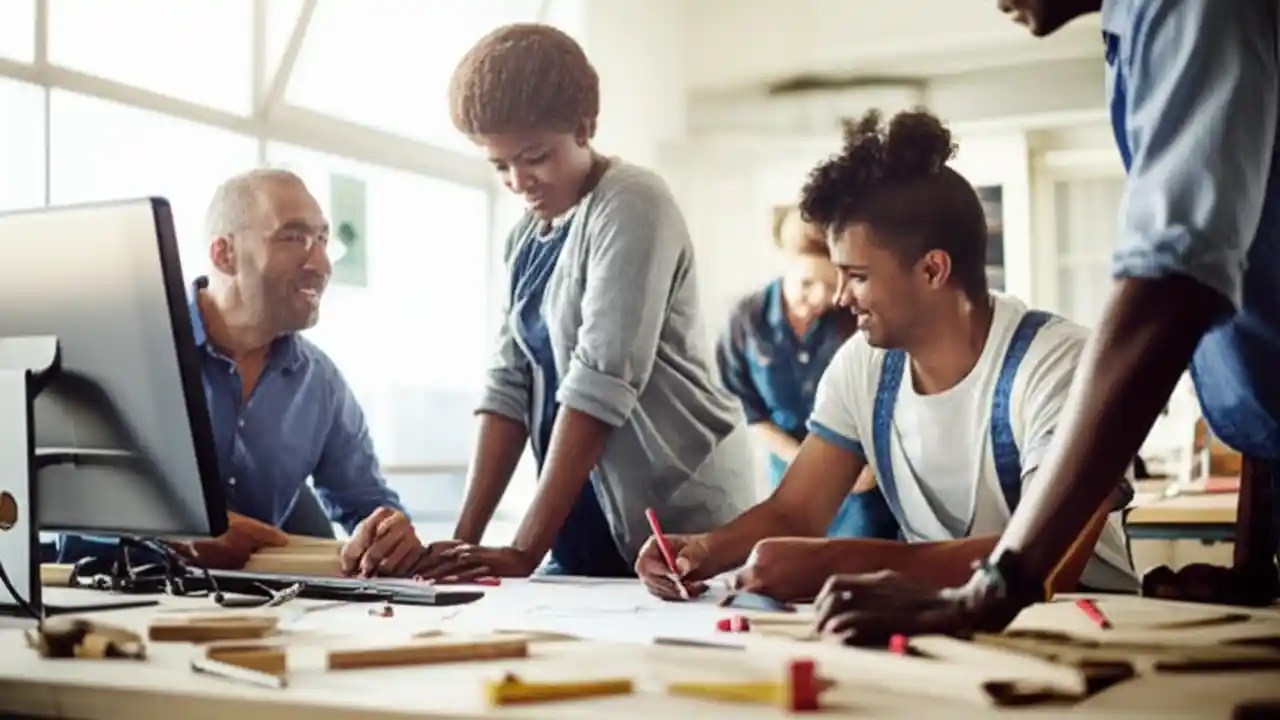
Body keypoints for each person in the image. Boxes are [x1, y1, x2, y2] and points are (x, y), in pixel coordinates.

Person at [812, 0, 1279, 645]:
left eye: (857, 275)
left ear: (933, 269)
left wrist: (999, 583)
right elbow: (1263, 317)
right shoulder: (1137, 36)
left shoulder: (1190, 9)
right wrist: (1256, 566)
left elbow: (1173, 285)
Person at [636, 109, 1136, 603]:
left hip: (1083, 624)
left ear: (933, 270)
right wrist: (704, 549)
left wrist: (840, 562)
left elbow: (1052, 556)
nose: (841, 298)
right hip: (952, 622)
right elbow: (796, 512)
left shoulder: (1058, 364)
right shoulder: (863, 366)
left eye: (857, 276)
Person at [411, 23, 755, 581]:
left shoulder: (634, 202)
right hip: (580, 539)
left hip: (681, 533)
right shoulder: (527, 236)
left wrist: (523, 549)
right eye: (500, 166)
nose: (519, 182)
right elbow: (507, 388)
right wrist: (457, 546)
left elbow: (601, 381)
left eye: (536, 158)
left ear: (584, 127)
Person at [58, 169, 418, 577]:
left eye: (321, 240)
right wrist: (174, 530)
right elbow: (56, 492)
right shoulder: (125, 345)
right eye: (293, 238)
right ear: (223, 254)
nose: (320, 264)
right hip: (99, 602)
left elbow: (367, 504)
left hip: (248, 615)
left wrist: (389, 531)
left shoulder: (321, 384)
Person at [717, 206, 897, 539]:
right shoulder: (747, 321)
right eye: (807, 283)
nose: (820, 298)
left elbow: (890, 396)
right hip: (790, 487)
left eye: (833, 285)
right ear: (783, 261)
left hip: (860, 486)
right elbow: (749, 411)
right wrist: (808, 469)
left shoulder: (856, 318)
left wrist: (870, 466)